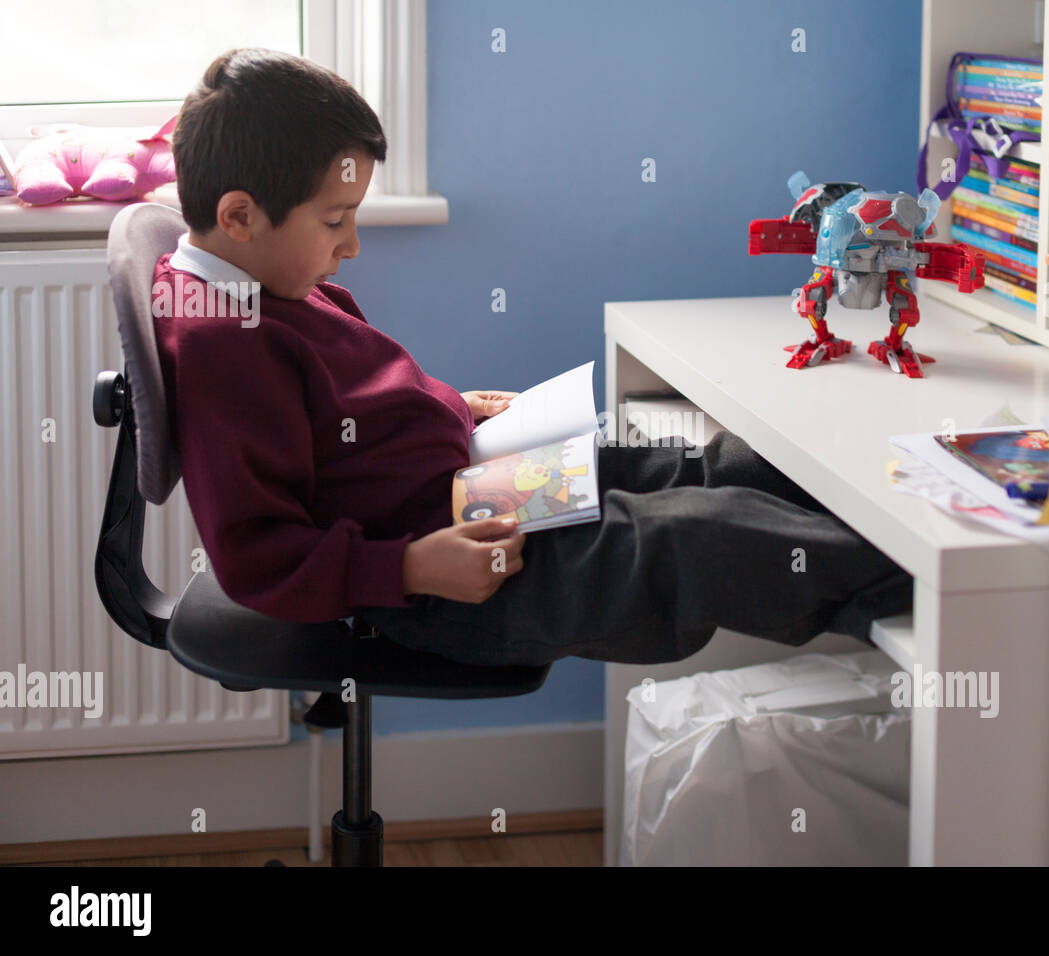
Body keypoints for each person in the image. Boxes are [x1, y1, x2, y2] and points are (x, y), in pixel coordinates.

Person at [156, 48, 912, 669]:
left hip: (471, 490)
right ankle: (938, 583)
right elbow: (255, 558)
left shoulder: (263, 276)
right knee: (682, 539)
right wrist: (412, 568)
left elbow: (356, 405)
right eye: (334, 222)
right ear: (239, 216)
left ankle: (920, 506)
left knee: (677, 458)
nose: (351, 246)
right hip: (449, 573)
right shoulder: (223, 343)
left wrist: (455, 406)